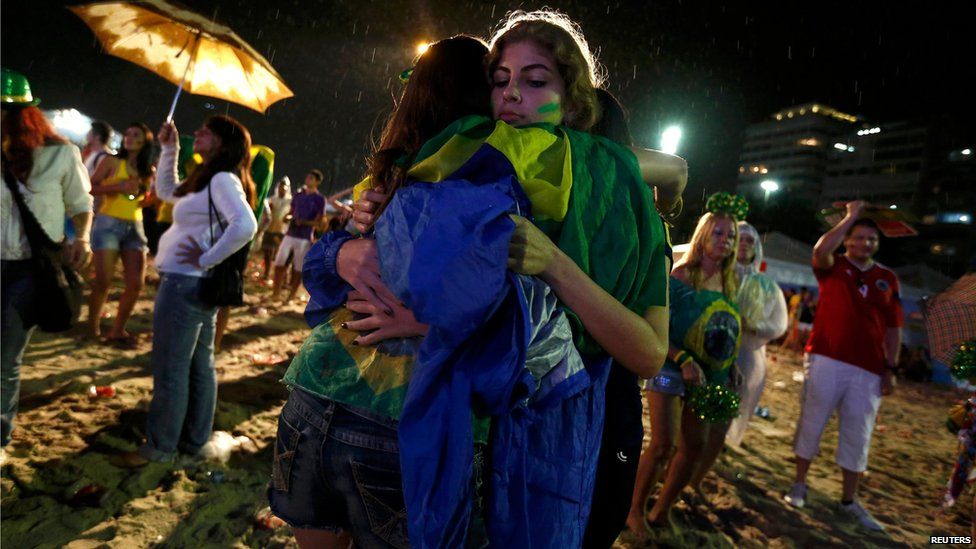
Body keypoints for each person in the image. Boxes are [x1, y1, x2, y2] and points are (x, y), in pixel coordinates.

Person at [272, 13, 683, 546]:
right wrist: (348, 243)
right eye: (501, 80)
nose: (512, 94)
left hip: (561, 427)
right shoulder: (467, 154)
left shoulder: (600, 196)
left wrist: (552, 265)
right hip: (374, 408)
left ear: (577, 103)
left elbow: (644, 353)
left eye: (535, 82)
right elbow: (378, 258)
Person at [117, 115, 256, 466]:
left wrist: (207, 258)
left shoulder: (224, 178)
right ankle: (193, 441)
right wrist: (170, 148)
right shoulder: (208, 177)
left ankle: (161, 447)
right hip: (192, 283)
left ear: (224, 143)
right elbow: (166, 191)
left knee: (170, 367)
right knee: (197, 364)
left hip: (187, 282)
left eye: (206, 132)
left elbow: (246, 224)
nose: (199, 133)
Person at [783, 200, 902, 532]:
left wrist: (890, 367)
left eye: (871, 240)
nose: (865, 243)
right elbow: (821, 249)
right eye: (859, 237)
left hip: (868, 369)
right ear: (847, 240)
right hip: (825, 358)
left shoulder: (887, 278)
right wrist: (851, 216)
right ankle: (800, 485)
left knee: (858, 434)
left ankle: (849, 500)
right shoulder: (832, 265)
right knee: (812, 422)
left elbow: (894, 327)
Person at [628, 194, 743, 533]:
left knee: (694, 447)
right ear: (703, 235)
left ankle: (661, 510)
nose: (726, 241)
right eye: (719, 233)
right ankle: (633, 509)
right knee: (664, 444)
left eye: (731, 235)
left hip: (708, 375)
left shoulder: (730, 281)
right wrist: (683, 359)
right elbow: (657, 327)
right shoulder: (681, 275)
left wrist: (731, 363)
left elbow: (725, 325)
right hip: (669, 369)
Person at [1, 68, 93, 461]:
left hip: (30, 268)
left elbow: (82, 204)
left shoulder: (59, 154)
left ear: (21, 113)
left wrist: (83, 238)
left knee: (5, 354)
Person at [86, 122, 155, 345]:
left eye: (135, 134)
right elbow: (90, 187)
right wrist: (117, 187)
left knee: (136, 283)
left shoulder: (148, 171)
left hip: (135, 226)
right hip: (108, 223)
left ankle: (117, 330)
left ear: (145, 141)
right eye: (127, 133)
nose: (129, 137)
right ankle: (92, 328)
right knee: (103, 281)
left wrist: (147, 198)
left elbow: (139, 201)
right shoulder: (111, 161)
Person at [725, 222, 788, 446]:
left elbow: (779, 323)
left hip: (748, 352)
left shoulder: (767, 286)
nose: (744, 244)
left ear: (757, 247)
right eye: (739, 238)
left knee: (736, 402)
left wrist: (753, 326)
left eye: (750, 240)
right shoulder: (717, 274)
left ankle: (723, 441)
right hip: (712, 350)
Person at [271, 170, 325, 302]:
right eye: (307, 176)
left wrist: (304, 222)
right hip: (290, 233)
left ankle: (290, 296)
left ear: (317, 182)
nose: (308, 179)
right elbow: (291, 212)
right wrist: (287, 218)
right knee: (279, 263)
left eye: (311, 178)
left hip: (305, 237)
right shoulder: (298, 195)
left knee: (298, 268)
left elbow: (319, 222)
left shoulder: (319, 199)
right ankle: (275, 294)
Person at [259, 177, 291, 282]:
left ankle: (283, 278)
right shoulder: (272, 199)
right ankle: (267, 274)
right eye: (280, 187)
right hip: (270, 229)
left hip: (282, 231)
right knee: (267, 252)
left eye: (284, 188)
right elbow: (266, 210)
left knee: (280, 255)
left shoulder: (290, 201)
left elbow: (292, 214)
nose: (282, 189)